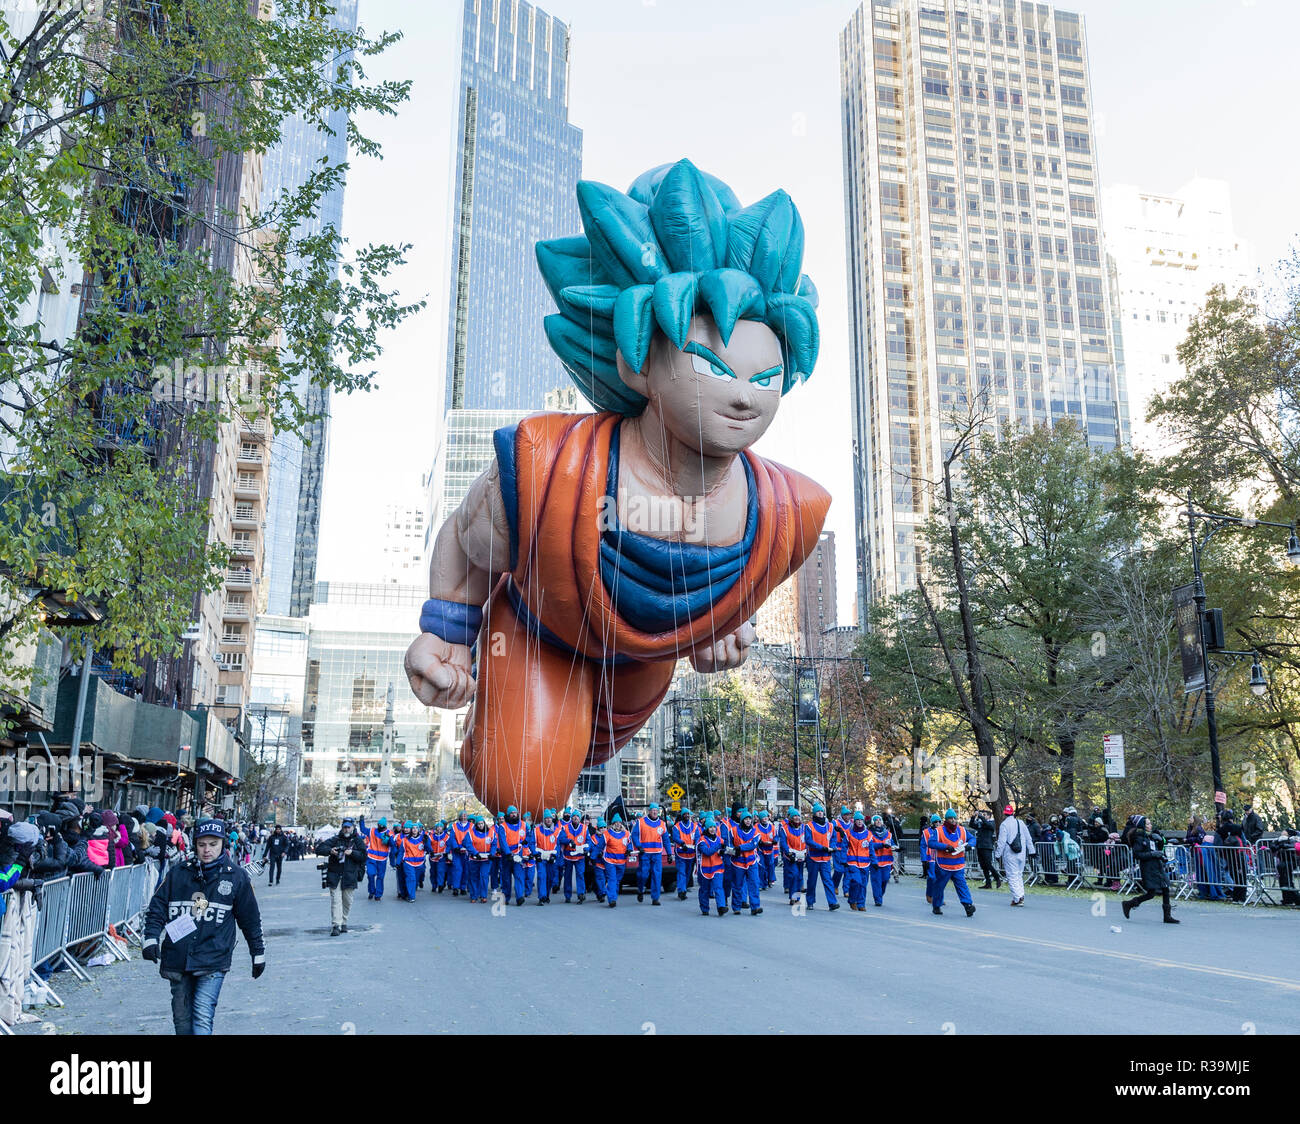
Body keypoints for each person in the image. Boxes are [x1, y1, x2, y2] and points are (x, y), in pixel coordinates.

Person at [142, 818, 265, 1035]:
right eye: (202, 845)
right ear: (195, 845)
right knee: (182, 1021)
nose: (207, 850)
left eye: (213, 844)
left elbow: (250, 919)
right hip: (178, 956)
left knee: (202, 1016)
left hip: (213, 956)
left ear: (222, 845)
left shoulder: (236, 877)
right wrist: (150, 938)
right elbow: (157, 907)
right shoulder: (178, 873)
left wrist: (258, 953)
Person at [315, 818, 367, 934]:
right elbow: (319, 849)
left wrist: (352, 853)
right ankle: (336, 925)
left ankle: (344, 921)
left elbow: (364, 856)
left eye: (349, 827)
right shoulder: (336, 839)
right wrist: (330, 851)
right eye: (345, 827)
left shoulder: (358, 841)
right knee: (336, 901)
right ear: (342, 827)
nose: (346, 829)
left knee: (347, 901)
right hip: (335, 874)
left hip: (350, 875)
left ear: (353, 827)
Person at [1122, 817, 1179, 924]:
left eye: (1150, 823)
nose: (1150, 825)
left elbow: (1157, 849)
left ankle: (1167, 916)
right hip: (1148, 867)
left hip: (1157, 866)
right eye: (1148, 824)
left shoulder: (1150, 837)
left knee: (1165, 888)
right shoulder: (1139, 838)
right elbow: (1137, 854)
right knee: (1152, 893)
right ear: (1142, 825)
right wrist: (1153, 854)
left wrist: (1161, 843)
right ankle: (1129, 904)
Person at [930, 809, 976, 918]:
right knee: (939, 887)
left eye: (955, 818)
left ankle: (968, 905)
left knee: (962, 886)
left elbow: (973, 839)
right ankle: (936, 906)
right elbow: (931, 843)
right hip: (943, 866)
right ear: (946, 820)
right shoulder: (938, 831)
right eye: (951, 818)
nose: (953, 820)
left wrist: (969, 845)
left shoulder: (962, 830)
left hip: (958, 865)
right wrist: (945, 847)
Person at [803, 803, 839, 910]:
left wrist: (832, 847)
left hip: (825, 858)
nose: (820, 813)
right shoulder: (809, 826)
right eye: (818, 811)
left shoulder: (830, 826)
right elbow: (809, 840)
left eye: (821, 811)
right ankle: (810, 902)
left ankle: (832, 902)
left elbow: (833, 838)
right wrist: (822, 847)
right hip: (813, 857)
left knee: (828, 881)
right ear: (814, 813)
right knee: (812, 881)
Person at [728, 808, 763, 915]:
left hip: (751, 862)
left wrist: (740, 847)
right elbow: (729, 843)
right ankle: (736, 906)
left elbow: (753, 844)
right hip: (738, 862)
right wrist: (732, 850)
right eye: (746, 819)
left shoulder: (756, 832)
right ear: (742, 820)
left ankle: (755, 907)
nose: (748, 821)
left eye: (749, 819)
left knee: (754, 884)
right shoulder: (733, 830)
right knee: (737, 885)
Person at [496, 805, 533, 906]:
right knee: (506, 878)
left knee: (519, 876)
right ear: (508, 814)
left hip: (519, 854)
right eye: (511, 813)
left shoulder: (524, 825)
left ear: (517, 813)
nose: (513, 814)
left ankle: (519, 897)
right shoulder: (503, 826)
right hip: (507, 856)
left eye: (515, 813)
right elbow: (502, 841)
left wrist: (526, 841)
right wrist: (508, 853)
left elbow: (530, 835)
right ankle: (506, 897)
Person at [995, 804, 1030, 906]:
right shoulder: (1020, 823)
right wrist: (1032, 851)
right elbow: (1028, 838)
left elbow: (1001, 842)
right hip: (1021, 853)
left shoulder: (1004, 825)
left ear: (1004, 813)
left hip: (1010, 853)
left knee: (1012, 876)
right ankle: (1020, 895)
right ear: (1013, 813)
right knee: (1019, 875)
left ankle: (1017, 898)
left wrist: (997, 855)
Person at [633, 802, 668, 904]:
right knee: (643, 875)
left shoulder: (662, 824)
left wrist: (669, 853)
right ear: (649, 811)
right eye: (653, 810)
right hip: (645, 853)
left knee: (657, 875)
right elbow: (634, 835)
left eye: (656, 810)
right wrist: (639, 846)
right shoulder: (641, 822)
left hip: (657, 853)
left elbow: (665, 839)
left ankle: (655, 898)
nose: (655, 812)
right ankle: (640, 889)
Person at [696, 814, 728, 915]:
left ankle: (721, 907)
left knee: (718, 887)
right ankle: (705, 908)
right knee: (705, 890)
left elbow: (724, 845)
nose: (713, 829)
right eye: (710, 827)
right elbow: (707, 852)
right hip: (705, 869)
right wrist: (718, 846)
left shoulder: (719, 839)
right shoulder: (702, 840)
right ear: (706, 828)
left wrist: (724, 850)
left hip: (717, 867)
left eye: (714, 827)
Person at [843, 810, 872, 910]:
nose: (859, 821)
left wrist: (875, 861)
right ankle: (852, 900)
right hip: (853, 862)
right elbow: (844, 847)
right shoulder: (849, 833)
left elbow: (871, 849)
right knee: (857, 881)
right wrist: (844, 860)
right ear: (854, 821)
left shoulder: (868, 834)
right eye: (857, 820)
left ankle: (861, 904)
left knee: (863, 884)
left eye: (861, 820)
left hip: (865, 863)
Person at [778, 807, 807, 904]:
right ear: (790, 818)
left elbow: (807, 840)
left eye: (798, 815)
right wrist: (788, 853)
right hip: (790, 856)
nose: (797, 817)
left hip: (801, 855)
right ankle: (792, 896)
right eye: (794, 816)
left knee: (799, 876)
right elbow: (783, 842)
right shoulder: (785, 829)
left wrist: (806, 851)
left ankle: (796, 898)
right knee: (794, 875)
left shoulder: (804, 827)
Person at [602, 814, 633, 906]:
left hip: (621, 862)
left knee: (617, 881)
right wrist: (593, 856)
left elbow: (629, 843)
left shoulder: (627, 833)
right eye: (616, 823)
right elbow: (600, 845)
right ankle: (612, 899)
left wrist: (629, 849)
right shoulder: (607, 833)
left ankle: (612, 895)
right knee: (612, 879)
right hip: (610, 861)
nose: (618, 824)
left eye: (619, 822)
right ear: (612, 824)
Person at [561, 811, 591, 903]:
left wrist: (587, 849)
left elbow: (589, 841)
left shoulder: (585, 828)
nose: (575, 818)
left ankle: (581, 894)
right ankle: (567, 895)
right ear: (571, 818)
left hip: (580, 857)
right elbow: (561, 838)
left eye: (577, 816)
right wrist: (569, 841)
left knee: (580, 875)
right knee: (567, 876)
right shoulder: (565, 828)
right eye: (573, 816)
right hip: (568, 856)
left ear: (579, 818)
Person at [866, 813, 895, 906]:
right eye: (876, 820)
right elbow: (869, 845)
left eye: (880, 820)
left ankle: (879, 895)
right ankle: (878, 899)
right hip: (875, 861)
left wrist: (897, 848)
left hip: (886, 860)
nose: (878, 821)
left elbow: (892, 844)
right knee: (876, 881)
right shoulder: (869, 833)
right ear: (873, 822)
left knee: (885, 879)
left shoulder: (888, 833)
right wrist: (881, 845)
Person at [533, 810, 561, 903]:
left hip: (551, 857)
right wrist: (535, 854)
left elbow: (558, 844)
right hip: (540, 857)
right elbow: (532, 843)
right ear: (543, 820)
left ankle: (547, 894)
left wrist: (555, 854)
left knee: (550, 877)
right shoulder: (536, 830)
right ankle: (542, 897)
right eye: (546, 818)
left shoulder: (557, 831)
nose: (548, 820)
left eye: (550, 818)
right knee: (541, 876)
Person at [671, 809, 700, 900]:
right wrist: (682, 843)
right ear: (682, 815)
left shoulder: (694, 827)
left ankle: (684, 887)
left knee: (688, 873)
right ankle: (681, 891)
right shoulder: (676, 827)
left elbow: (698, 837)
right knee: (681, 872)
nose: (687, 816)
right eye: (685, 814)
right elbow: (675, 837)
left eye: (688, 814)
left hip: (691, 854)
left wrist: (697, 844)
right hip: (681, 853)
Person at [465, 815, 495, 901]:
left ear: (484, 823)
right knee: (474, 877)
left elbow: (494, 844)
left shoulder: (491, 832)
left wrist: (492, 853)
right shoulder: (470, 833)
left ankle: (483, 895)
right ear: (476, 825)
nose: (481, 825)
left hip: (486, 859)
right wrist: (475, 853)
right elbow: (468, 844)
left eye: (482, 823)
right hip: (475, 859)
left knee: (484, 876)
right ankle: (474, 895)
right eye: (479, 824)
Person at [969, 810, 1001, 890]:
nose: (983, 816)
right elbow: (971, 825)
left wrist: (980, 816)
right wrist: (973, 817)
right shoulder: (981, 824)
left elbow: (987, 824)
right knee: (983, 866)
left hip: (987, 847)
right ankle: (988, 883)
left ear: (989, 816)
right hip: (980, 846)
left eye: (985, 815)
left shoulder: (991, 823)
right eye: (983, 815)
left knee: (988, 864)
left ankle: (997, 878)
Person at [449, 810, 472, 896]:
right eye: (462, 815)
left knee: (466, 870)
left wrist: (468, 847)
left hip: (467, 851)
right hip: (457, 851)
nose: (463, 817)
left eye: (465, 815)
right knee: (457, 869)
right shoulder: (454, 826)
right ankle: (455, 887)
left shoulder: (471, 826)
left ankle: (463, 887)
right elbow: (452, 838)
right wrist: (456, 847)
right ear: (459, 817)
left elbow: (473, 837)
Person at [832, 805, 853, 893]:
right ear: (842, 815)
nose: (848, 816)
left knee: (848, 870)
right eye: (846, 815)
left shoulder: (852, 824)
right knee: (839, 869)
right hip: (838, 848)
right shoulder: (835, 823)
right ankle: (834, 885)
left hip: (848, 849)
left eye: (849, 815)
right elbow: (831, 835)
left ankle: (846, 890)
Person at [920, 813, 940, 902]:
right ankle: (929, 894)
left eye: (940, 821)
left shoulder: (942, 831)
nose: (938, 823)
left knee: (939, 878)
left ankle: (938, 897)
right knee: (932, 878)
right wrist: (924, 859)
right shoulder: (926, 832)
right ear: (932, 823)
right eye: (936, 822)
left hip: (940, 858)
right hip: (930, 857)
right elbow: (923, 846)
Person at [755, 809, 777, 889]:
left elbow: (776, 836)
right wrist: (759, 842)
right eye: (763, 818)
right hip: (760, 849)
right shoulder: (756, 827)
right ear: (760, 819)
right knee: (761, 866)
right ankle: (761, 883)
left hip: (770, 849)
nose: (765, 819)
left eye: (766, 818)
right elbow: (754, 836)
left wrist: (775, 841)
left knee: (771, 865)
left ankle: (770, 880)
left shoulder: (772, 827)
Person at [427, 821, 451, 892]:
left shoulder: (446, 836)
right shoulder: (431, 836)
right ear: (436, 828)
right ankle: (434, 885)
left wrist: (446, 852)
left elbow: (449, 845)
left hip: (441, 856)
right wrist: (430, 851)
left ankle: (440, 885)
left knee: (441, 871)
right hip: (433, 857)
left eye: (441, 827)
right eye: (438, 827)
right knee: (433, 871)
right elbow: (428, 845)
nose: (439, 828)